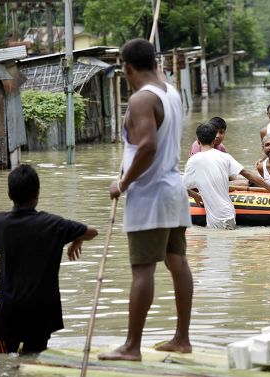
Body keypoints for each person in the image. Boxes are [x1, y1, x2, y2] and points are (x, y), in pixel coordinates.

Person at [98, 38, 193, 361]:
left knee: (142, 270)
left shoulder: (140, 100)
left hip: (149, 194)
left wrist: (123, 183)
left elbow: (148, 146)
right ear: (156, 64)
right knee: (177, 263)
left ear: (126, 68)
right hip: (173, 191)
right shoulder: (172, 92)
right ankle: (182, 338)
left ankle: (131, 346)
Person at [0, 164, 98, 354]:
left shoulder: (0, 222)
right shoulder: (54, 224)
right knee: (33, 365)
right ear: (37, 194)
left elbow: (0, 250)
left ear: (9, 194)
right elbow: (92, 232)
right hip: (40, 315)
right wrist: (77, 238)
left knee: (2, 365)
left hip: (8, 315)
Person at [183, 123, 270, 229]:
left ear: (198, 140)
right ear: (214, 140)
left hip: (218, 218)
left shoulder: (192, 161)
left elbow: (180, 187)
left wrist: (194, 195)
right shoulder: (225, 157)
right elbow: (247, 173)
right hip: (228, 214)